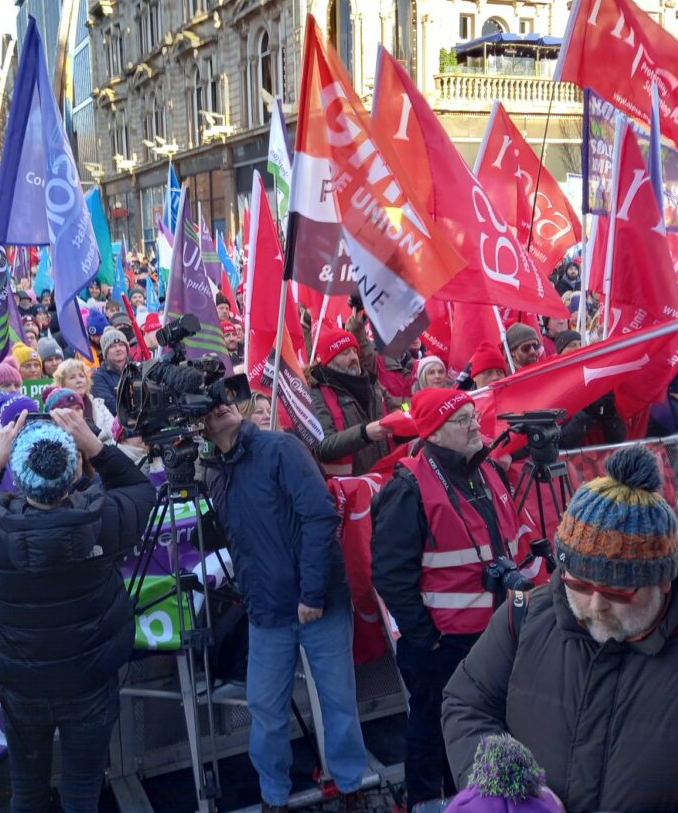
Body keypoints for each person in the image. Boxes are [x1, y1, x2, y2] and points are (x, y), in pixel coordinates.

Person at [442, 445, 678, 812]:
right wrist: (500, 790)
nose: (595, 605)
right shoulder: (523, 617)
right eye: (577, 584)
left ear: (662, 581)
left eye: (618, 591)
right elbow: (466, 703)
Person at [0, 409, 154, 813]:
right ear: (73, 469)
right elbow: (139, 487)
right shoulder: (106, 518)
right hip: (89, 683)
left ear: (17, 473)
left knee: (26, 792)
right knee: (82, 791)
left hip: (21, 686)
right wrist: (95, 445)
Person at [201, 400, 368, 811]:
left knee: (339, 704)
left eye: (223, 400)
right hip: (266, 613)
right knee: (266, 712)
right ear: (200, 428)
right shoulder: (212, 473)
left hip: (319, 605)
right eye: (208, 408)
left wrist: (311, 593)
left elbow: (319, 517)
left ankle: (351, 786)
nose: (220, 406)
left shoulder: (281, 448)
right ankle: (273, 796)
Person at [371, 388, 526, 810]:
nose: (476, 424)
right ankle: (427, 802)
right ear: (435, 433)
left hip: (495, 632)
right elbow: (390, 574)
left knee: (492, 723)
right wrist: (426, 637)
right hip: (442, 642)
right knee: (432, 727)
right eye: (463, 419)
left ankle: (487, 798)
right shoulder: (407, 487)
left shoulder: (487, 469)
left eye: (473, 415)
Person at [308, 325, 394, 476]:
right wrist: (364, 433)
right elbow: (322, 447)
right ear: (329, 361)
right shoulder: (316, 393)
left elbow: (398, 409)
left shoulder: (373, 384)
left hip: (385, 479)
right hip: (349, 490)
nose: (353, 357)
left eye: (354, 351)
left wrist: (409, 415)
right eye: (345, 353)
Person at [54, 359, 117, 442]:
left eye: (82, 376)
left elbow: (114, 433)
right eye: (72, 377)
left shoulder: (99, 405)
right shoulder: (56, 409)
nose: (79, 380)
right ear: (62, 384)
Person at [92, 328, 129, 416]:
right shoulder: (98, 377)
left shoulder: (136, 369)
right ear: (106, 352)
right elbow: (110, 404)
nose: (118, 349)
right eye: (112, 346)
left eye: (121, 345)